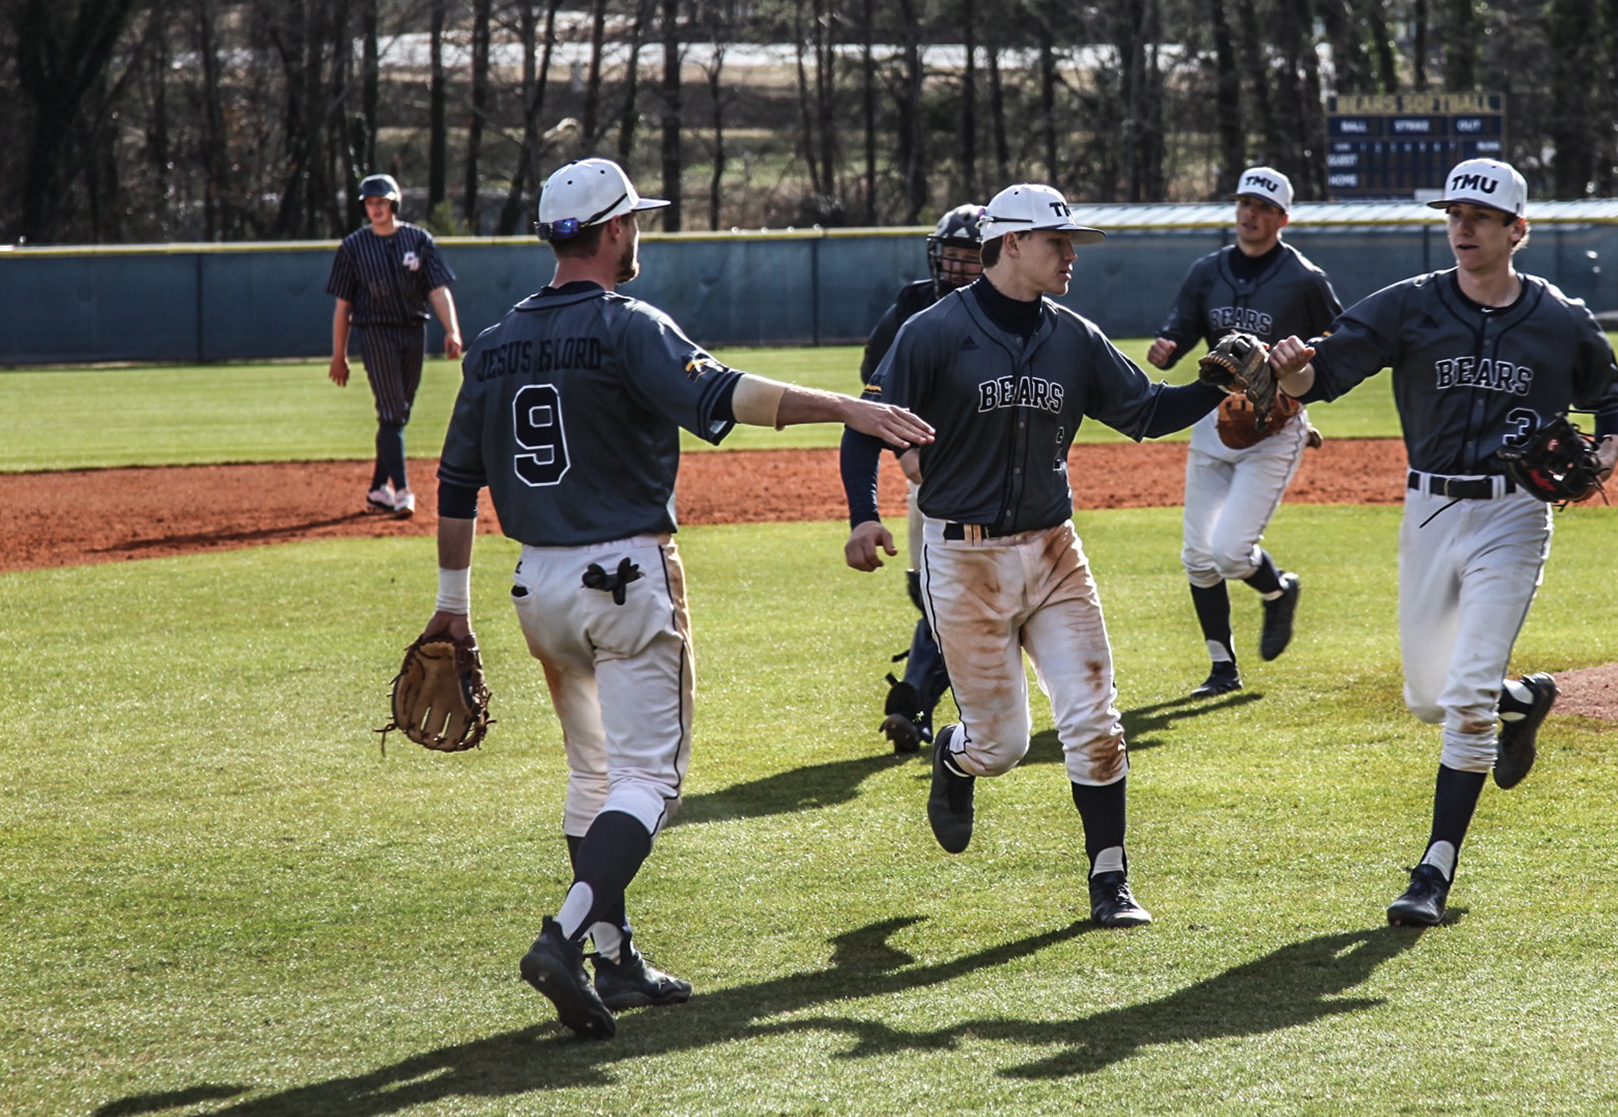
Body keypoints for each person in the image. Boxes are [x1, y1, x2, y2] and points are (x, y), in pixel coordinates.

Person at [425, 157, 931, 1039]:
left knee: (594, 774)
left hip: (532, 584)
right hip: (624, 577)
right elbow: (728, 394)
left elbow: (457, 481)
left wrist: (451, 606)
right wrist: (850, 408)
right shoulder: (627, 323)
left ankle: (615, 959)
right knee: (651, 777)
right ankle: (567, 934)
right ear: (614, 230)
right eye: (636, 222)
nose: (640, 235)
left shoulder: (499, 339)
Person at [847, 183, 1231, 928]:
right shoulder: (931, 332)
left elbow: (1146, 412)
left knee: (1095, 719)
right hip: (963, 558)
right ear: (1012, 244)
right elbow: (865, 426)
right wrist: (864, 515)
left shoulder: (1072, 335)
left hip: (1054, 549)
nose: (1071, 256)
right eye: (1059, 242)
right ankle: (956, 755)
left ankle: (1109, 879)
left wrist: (1212, 384)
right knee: (1004, 745)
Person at [1268, 158, 1618, 928]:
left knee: (1462, 696)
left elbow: (1612, 399)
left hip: (1514, 513)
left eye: (1480, 217)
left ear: (1516, 231)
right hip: (1430, 511)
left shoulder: (1560, 317)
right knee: (1430, 696)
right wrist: (1291, 375)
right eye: (1453, 215)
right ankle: (1524, 699)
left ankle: (1433, 867)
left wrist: (1604, 452)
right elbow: (1321, 376)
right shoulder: (1410, 306)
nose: (1462, 228)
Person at [1145, 167, 1342, 698]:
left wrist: (1299, 371)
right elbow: (1183, 327)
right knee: (1196, 556)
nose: (1250, 214)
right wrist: (1167, 345)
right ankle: (1222, 668)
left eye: (1262, 206)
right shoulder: (1207, 271)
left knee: (1231, 553)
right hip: (1213, 418)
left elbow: (1336, 340)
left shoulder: (1304, 278)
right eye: (1243, 203)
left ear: (1282, 217)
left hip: (1273, 429)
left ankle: (1278, 592)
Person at [842, 204, 985, 755]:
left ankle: (916, 700)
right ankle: (921, 700)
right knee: (928, 588)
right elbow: (875, 381)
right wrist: (903, 447)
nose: (954, 267)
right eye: (949, 255)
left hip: (987, 477)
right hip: (929, 468)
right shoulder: (913, 303)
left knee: (958, 595)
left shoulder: (1012, 310)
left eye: (968, 258)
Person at [326, 173, 464, 518]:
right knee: (391, 411)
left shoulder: (418, 240)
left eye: (381, 202)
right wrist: (338, 355)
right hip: (375, 332)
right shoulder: (354, 247)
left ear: (393, 204)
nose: (375, 208)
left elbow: (437, 290)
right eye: (370, 203)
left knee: (397, 415)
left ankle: (377, 490)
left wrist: (453, 330)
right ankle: (402, 491)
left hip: (414, 331)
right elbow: (343, 306)